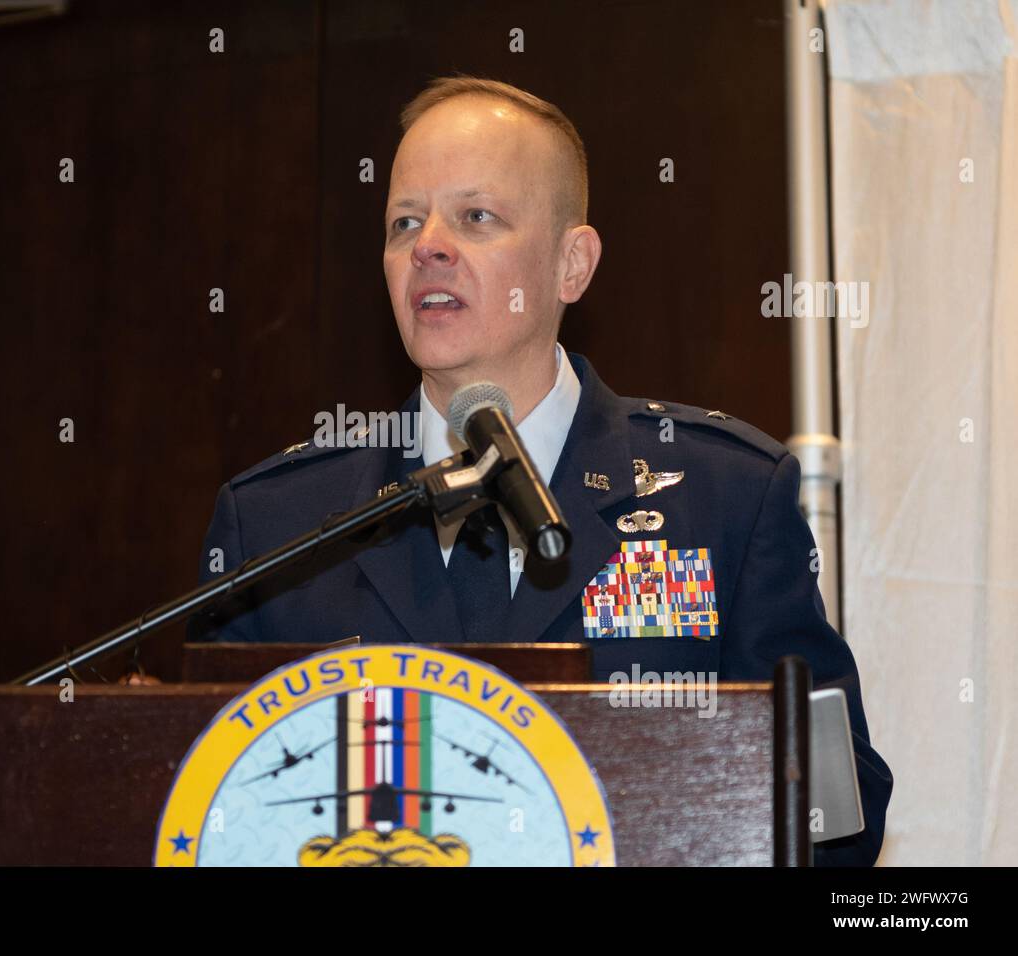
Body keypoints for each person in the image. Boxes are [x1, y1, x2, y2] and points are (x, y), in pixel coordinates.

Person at [189, 76, 891, 866]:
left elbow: (839, 810)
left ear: (571, 264)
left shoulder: (725, 498)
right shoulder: (281, 523)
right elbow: (212, 806)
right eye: (404, 222)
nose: (428, 246)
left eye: (476, 216)